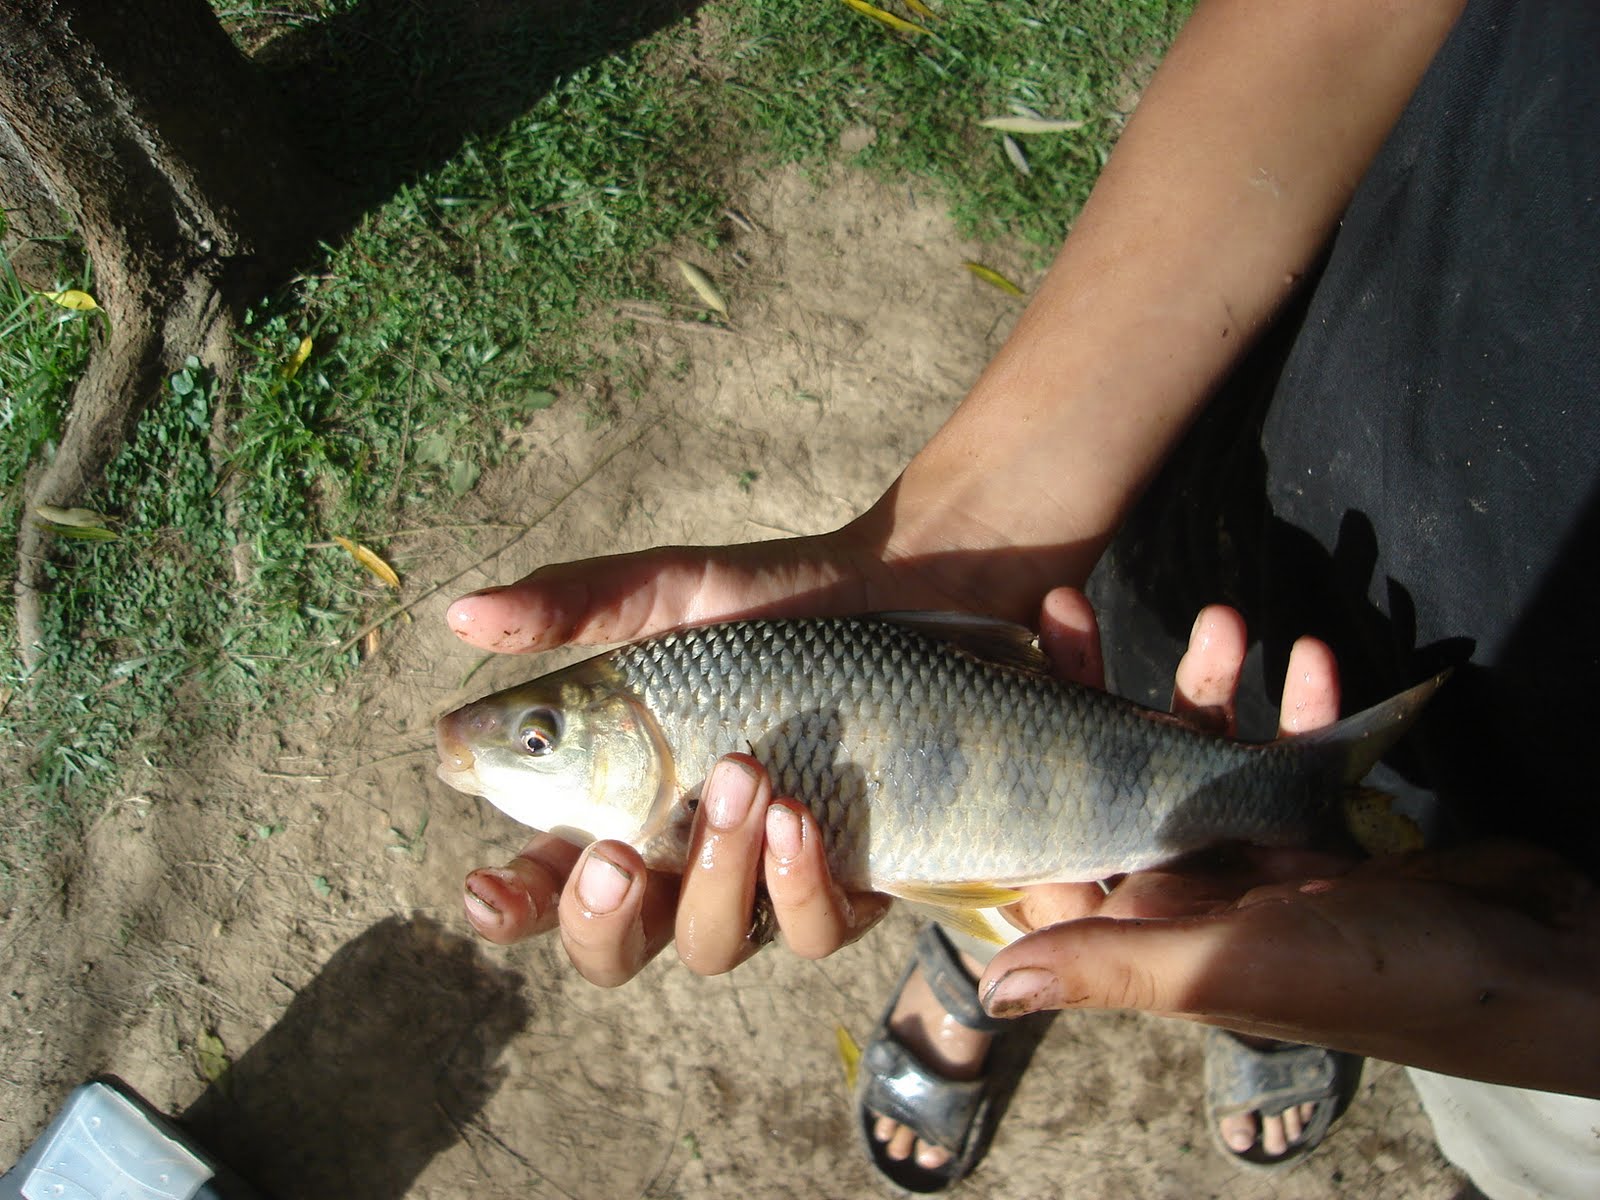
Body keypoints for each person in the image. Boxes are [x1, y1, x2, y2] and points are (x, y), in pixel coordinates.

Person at [447, 0, 1600, 1194]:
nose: (504, 751)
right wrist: (966, 534)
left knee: (1346, 995)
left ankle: (1246, 989)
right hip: (1296, 439)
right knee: (1124, 720)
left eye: (539, 738)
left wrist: (1546, 1008)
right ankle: (1146, 939)